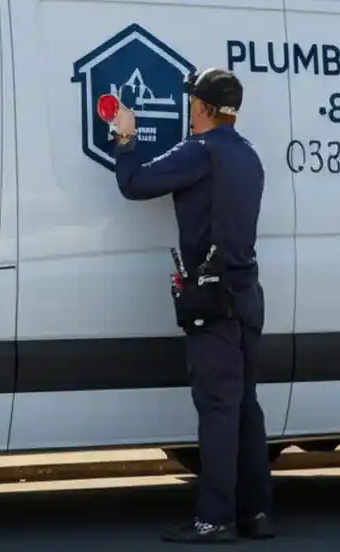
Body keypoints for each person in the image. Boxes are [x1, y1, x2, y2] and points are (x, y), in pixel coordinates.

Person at [111, 67, 275, 544]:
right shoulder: (249, 155)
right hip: (247, 295)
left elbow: (134, 183)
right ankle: (256, 514)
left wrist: (126, 137)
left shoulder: (199, 151)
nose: (189, 110)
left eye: (191, 103)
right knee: (246, 408)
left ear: (201, 108)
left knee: (218, 409)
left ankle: (215, 519)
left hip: (213, 299)